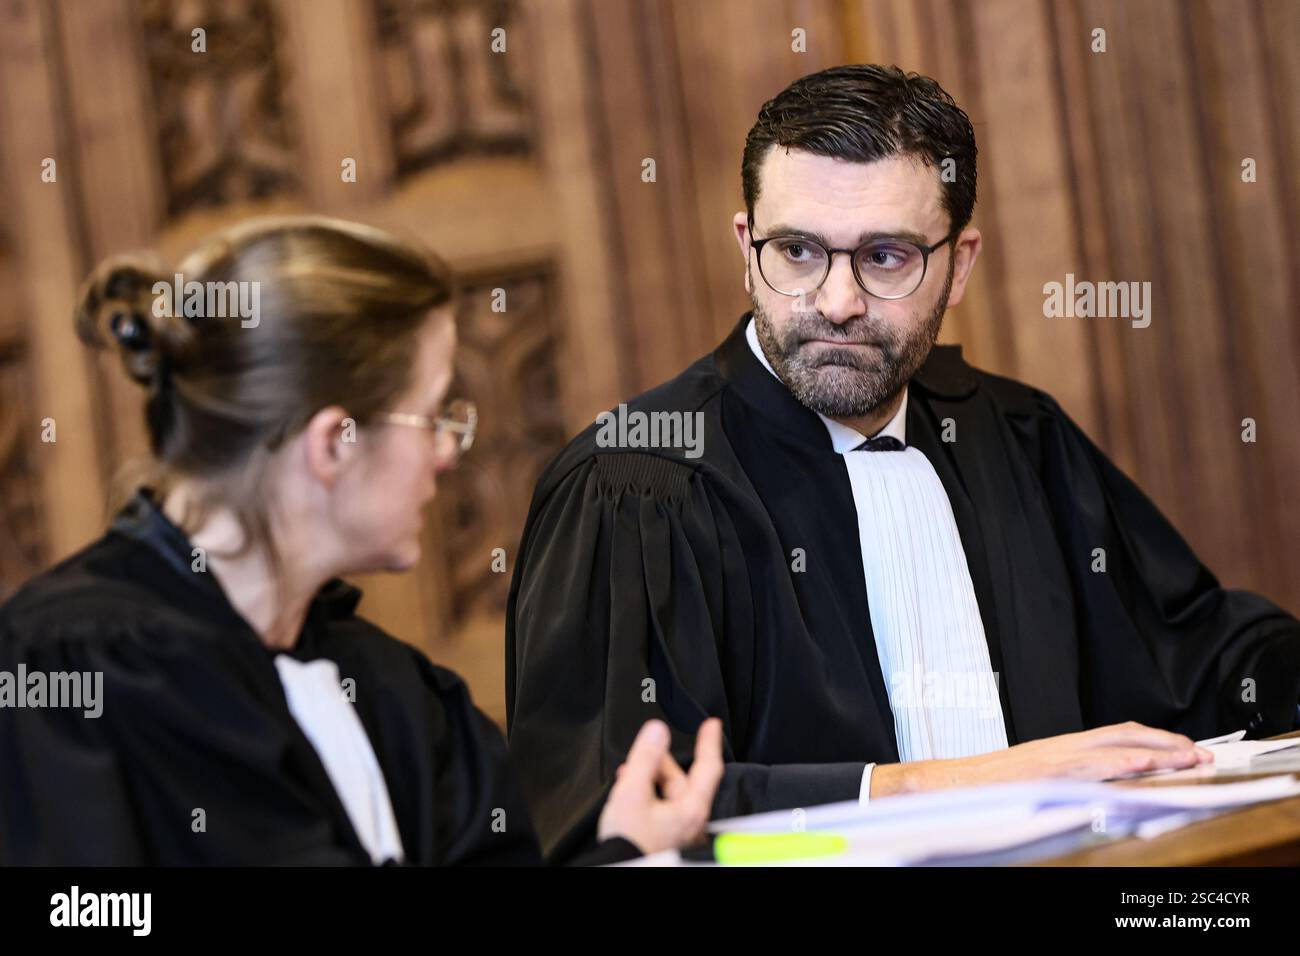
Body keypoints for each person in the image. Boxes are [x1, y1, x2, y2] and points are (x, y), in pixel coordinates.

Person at [505, 64, 1300, 860]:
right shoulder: (634, 483)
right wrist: (946, 783)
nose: (838, 299)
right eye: (798, 251)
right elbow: (605, 813)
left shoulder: (1017, 434)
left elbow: (1203, 656)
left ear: (959, 266)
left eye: (885, 257)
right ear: (746, 247)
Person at [0, 216, 723, 866]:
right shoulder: (74, 672)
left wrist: (626, 853)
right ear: (332, 444)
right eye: (433, 412)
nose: (450, 449)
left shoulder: (392, 689)